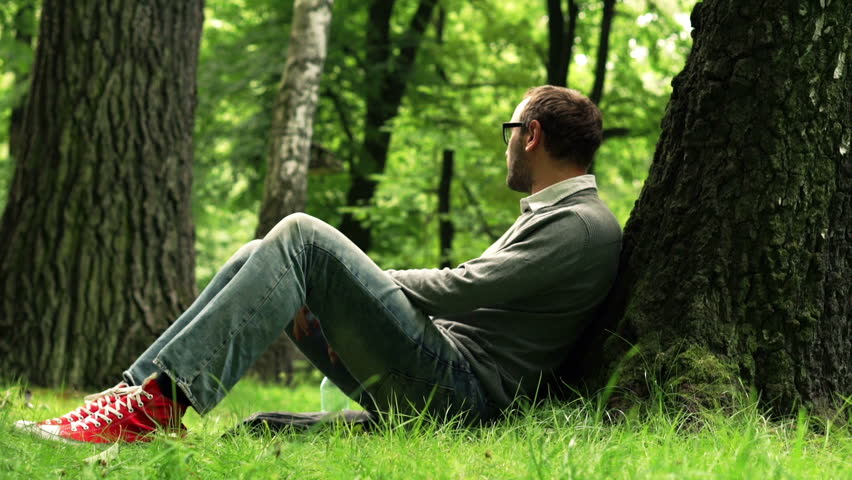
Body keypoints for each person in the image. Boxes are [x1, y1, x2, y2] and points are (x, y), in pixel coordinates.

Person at [15, 85, 622, 443]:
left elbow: (464, 289)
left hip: (459, 393)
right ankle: (137, 393)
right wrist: (344, 299)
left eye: (509, 130)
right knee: (260, 254)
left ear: (531, 134)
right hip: (442, 374)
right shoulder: (560, 213)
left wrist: (357, 284)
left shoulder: (579, 224)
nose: (506, 143)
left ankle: (152, 407)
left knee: (302, 237)